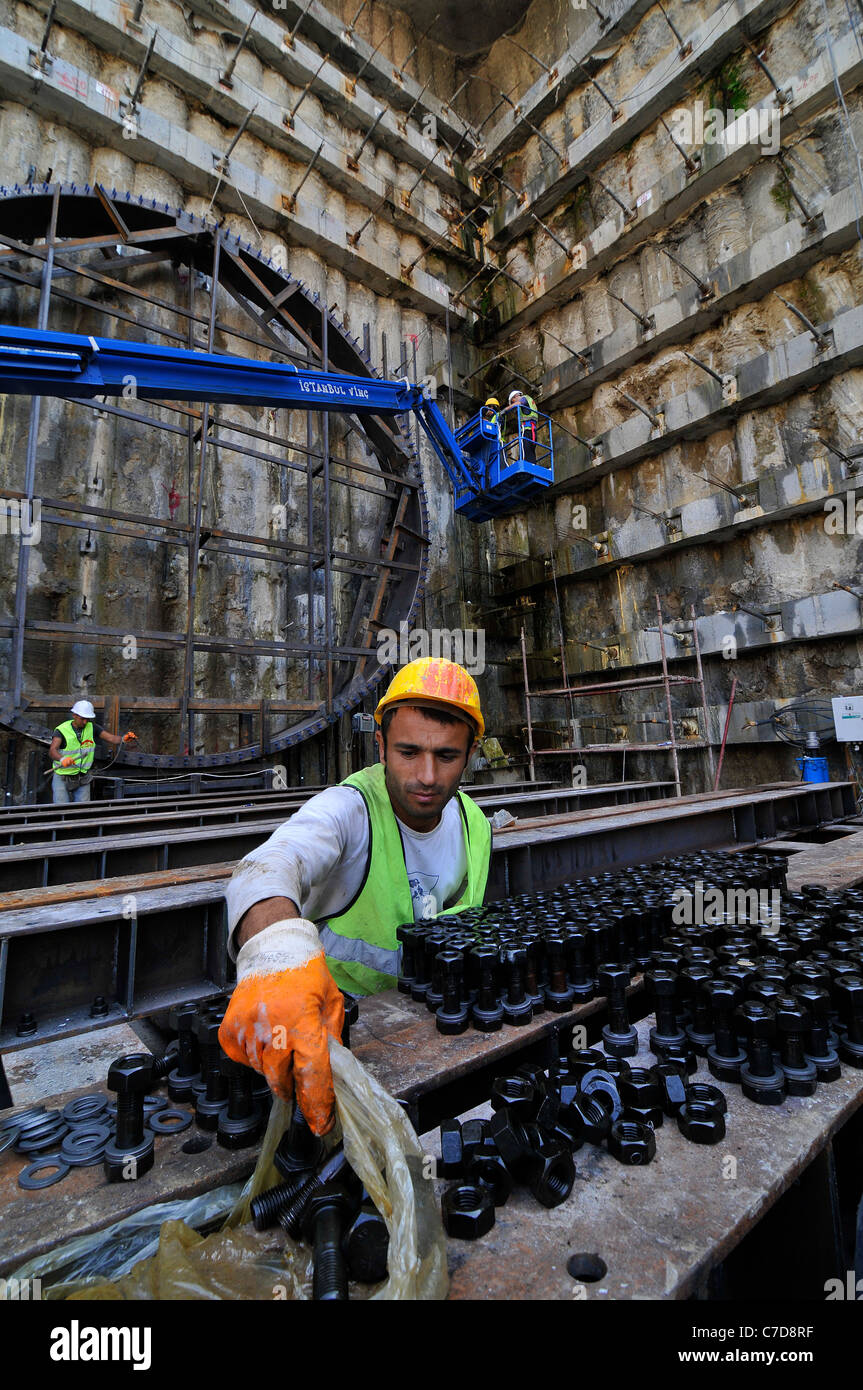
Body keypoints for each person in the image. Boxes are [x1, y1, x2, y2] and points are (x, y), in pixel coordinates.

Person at [219, 657, 491, 1135]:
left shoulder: (476, 826)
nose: (427, 776)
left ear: (470, 754)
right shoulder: (348, 810)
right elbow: (264, 867)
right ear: (381, 746)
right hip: (336, 1039)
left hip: (431, 1028)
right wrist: (278, 955)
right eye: (408, 752)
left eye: (446, 756)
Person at [48, 700, 138, 803]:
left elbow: (112, 739)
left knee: (83, 809)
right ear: (74, 715)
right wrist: (62, 759)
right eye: (83, 719)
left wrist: (123, 739)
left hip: (83, 776)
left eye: (87, 719)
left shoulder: (92, 727)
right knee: (61, 808)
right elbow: (52, 750)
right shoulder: (62, 730)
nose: (85, 722)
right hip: (62, 776)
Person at [505, 388, 539, 464]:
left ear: (516, 396)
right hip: (532, 431)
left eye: (512, 401)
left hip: (527, 430)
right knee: (530, 452)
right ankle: (532, 467)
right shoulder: (530, 401)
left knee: (526, 451)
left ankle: (528, 471)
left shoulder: (524, 399)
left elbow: (518, 403)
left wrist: (506, 409)